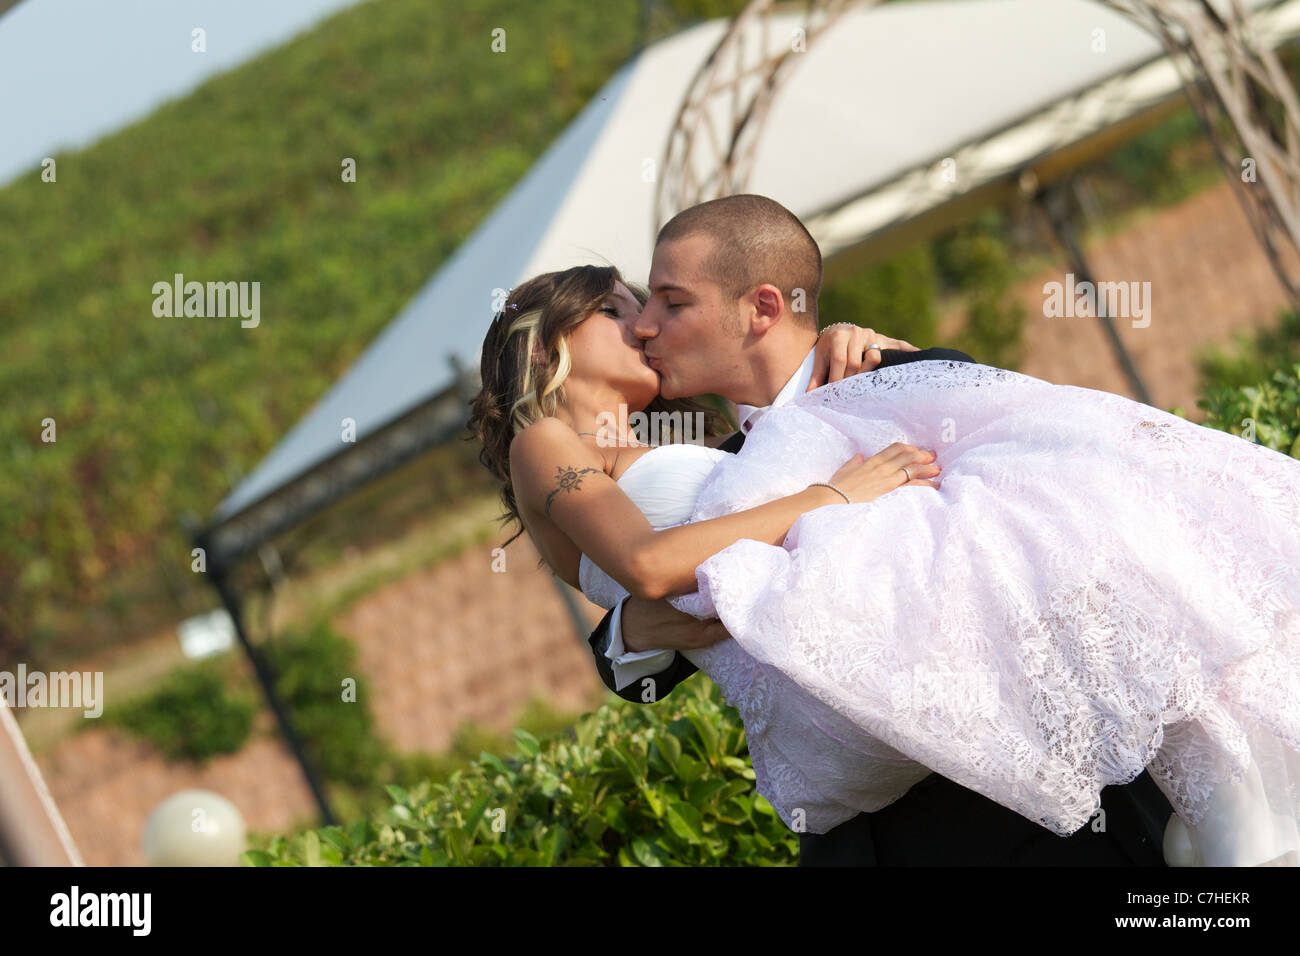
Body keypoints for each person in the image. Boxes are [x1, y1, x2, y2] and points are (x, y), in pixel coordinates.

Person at [468, 195, 1300, 866]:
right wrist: (629, 634)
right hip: (880, 834)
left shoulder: (899, 375)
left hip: (1051, 805)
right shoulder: (713, 470)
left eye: (666, 302)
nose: (647, 323)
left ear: (762, 309)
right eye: (631, 309)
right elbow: (648, 619)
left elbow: (1069, 525)